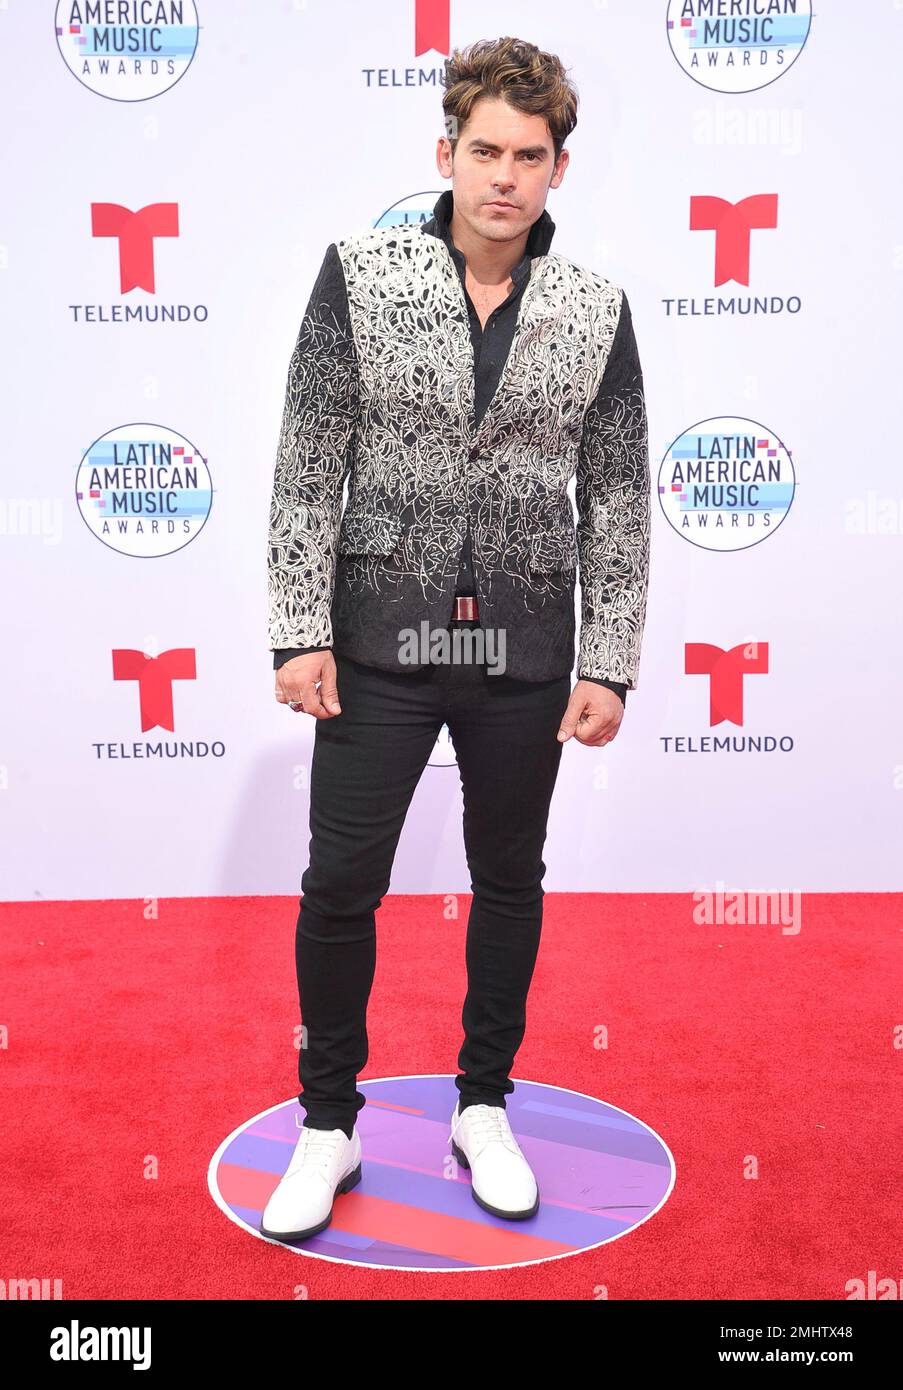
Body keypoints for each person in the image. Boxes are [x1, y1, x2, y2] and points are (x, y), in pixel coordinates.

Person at [260, 35, 651, 1243]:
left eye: (529, 156)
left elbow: (621, 489)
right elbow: (309, 457)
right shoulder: (361, 273)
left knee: (510, 879)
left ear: (558, 171)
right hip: (378, 634)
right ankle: (331, 1121)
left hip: (524, 646)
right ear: (446, 151)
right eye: (484, 150)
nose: (504, 176)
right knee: (341, 882)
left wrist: (610, 655)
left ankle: (485, 1102)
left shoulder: (596, 307)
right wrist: (296, 626)